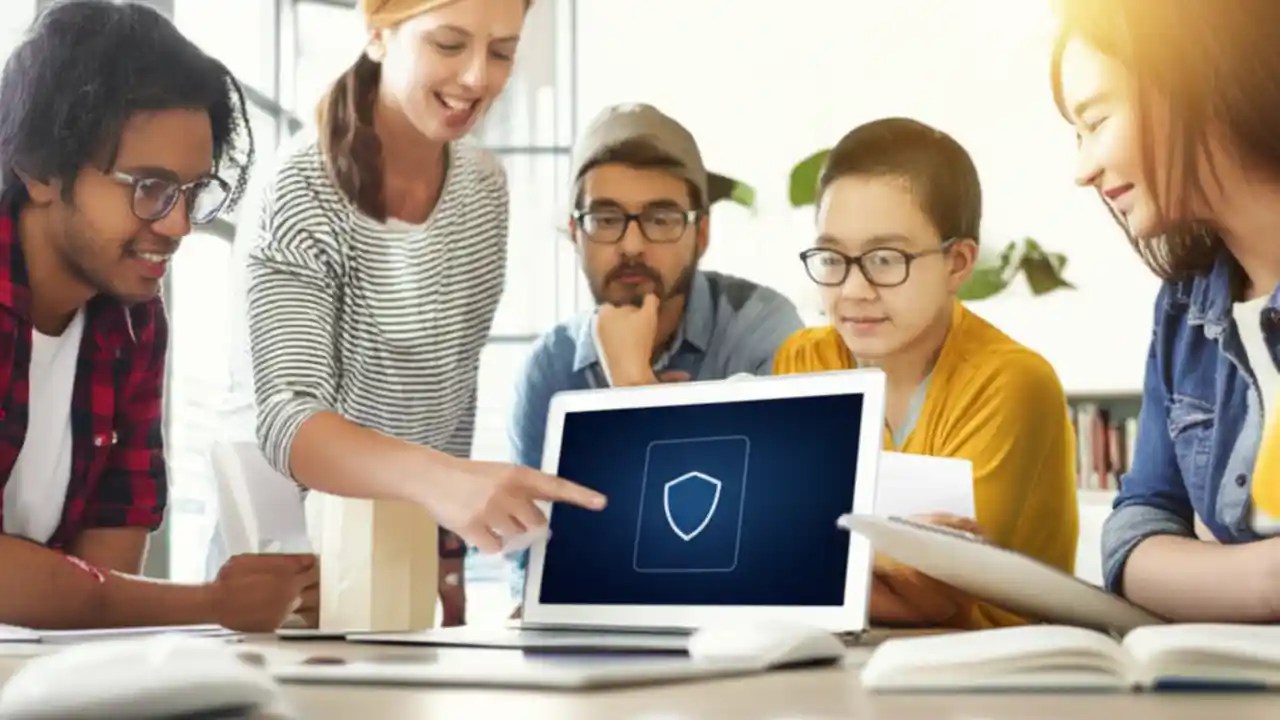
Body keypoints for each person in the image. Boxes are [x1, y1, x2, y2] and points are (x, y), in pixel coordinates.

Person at [230, 0, 605, 626]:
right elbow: (289, 420)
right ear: (377, 36)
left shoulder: (483, 188)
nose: (478, 79)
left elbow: (454, 386)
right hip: (296, 559)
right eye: (449, 44)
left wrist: (447, 554)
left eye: (503, 51)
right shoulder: (301, 185)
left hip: (408, 550)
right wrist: (445, 486)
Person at [0, 0, 316, 631]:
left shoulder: (132, 321)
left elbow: (103, 583)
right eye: (148, 187)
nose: (178, 224)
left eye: (194, 191)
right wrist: (214, 605)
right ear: (38, 168)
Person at [773, 118, 1079, 629]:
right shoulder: (805, 362)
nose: (852, 290)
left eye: (886, 259)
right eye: (832, 258)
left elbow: (938, 597)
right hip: (840, 658)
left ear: (957, 262)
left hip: (994, 679)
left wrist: (802, 552)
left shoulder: (1010, 383)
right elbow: (766, 538)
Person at [504, 103, 804, 600]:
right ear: (576, 234)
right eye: (606, 219)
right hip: (588, 641)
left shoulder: (761, 328)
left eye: (661, 219)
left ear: (701, 233)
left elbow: (764, 538)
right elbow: (533, 569)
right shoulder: (550, 367)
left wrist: (632, 390)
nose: (632, 245)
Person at [1052, 0, 1280, 621]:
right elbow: (1134, 534)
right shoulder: (1184, 313)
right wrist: (1262, 580)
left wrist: (1205, 574)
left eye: (1096, 122)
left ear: (1195, 81)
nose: (1083, 169)